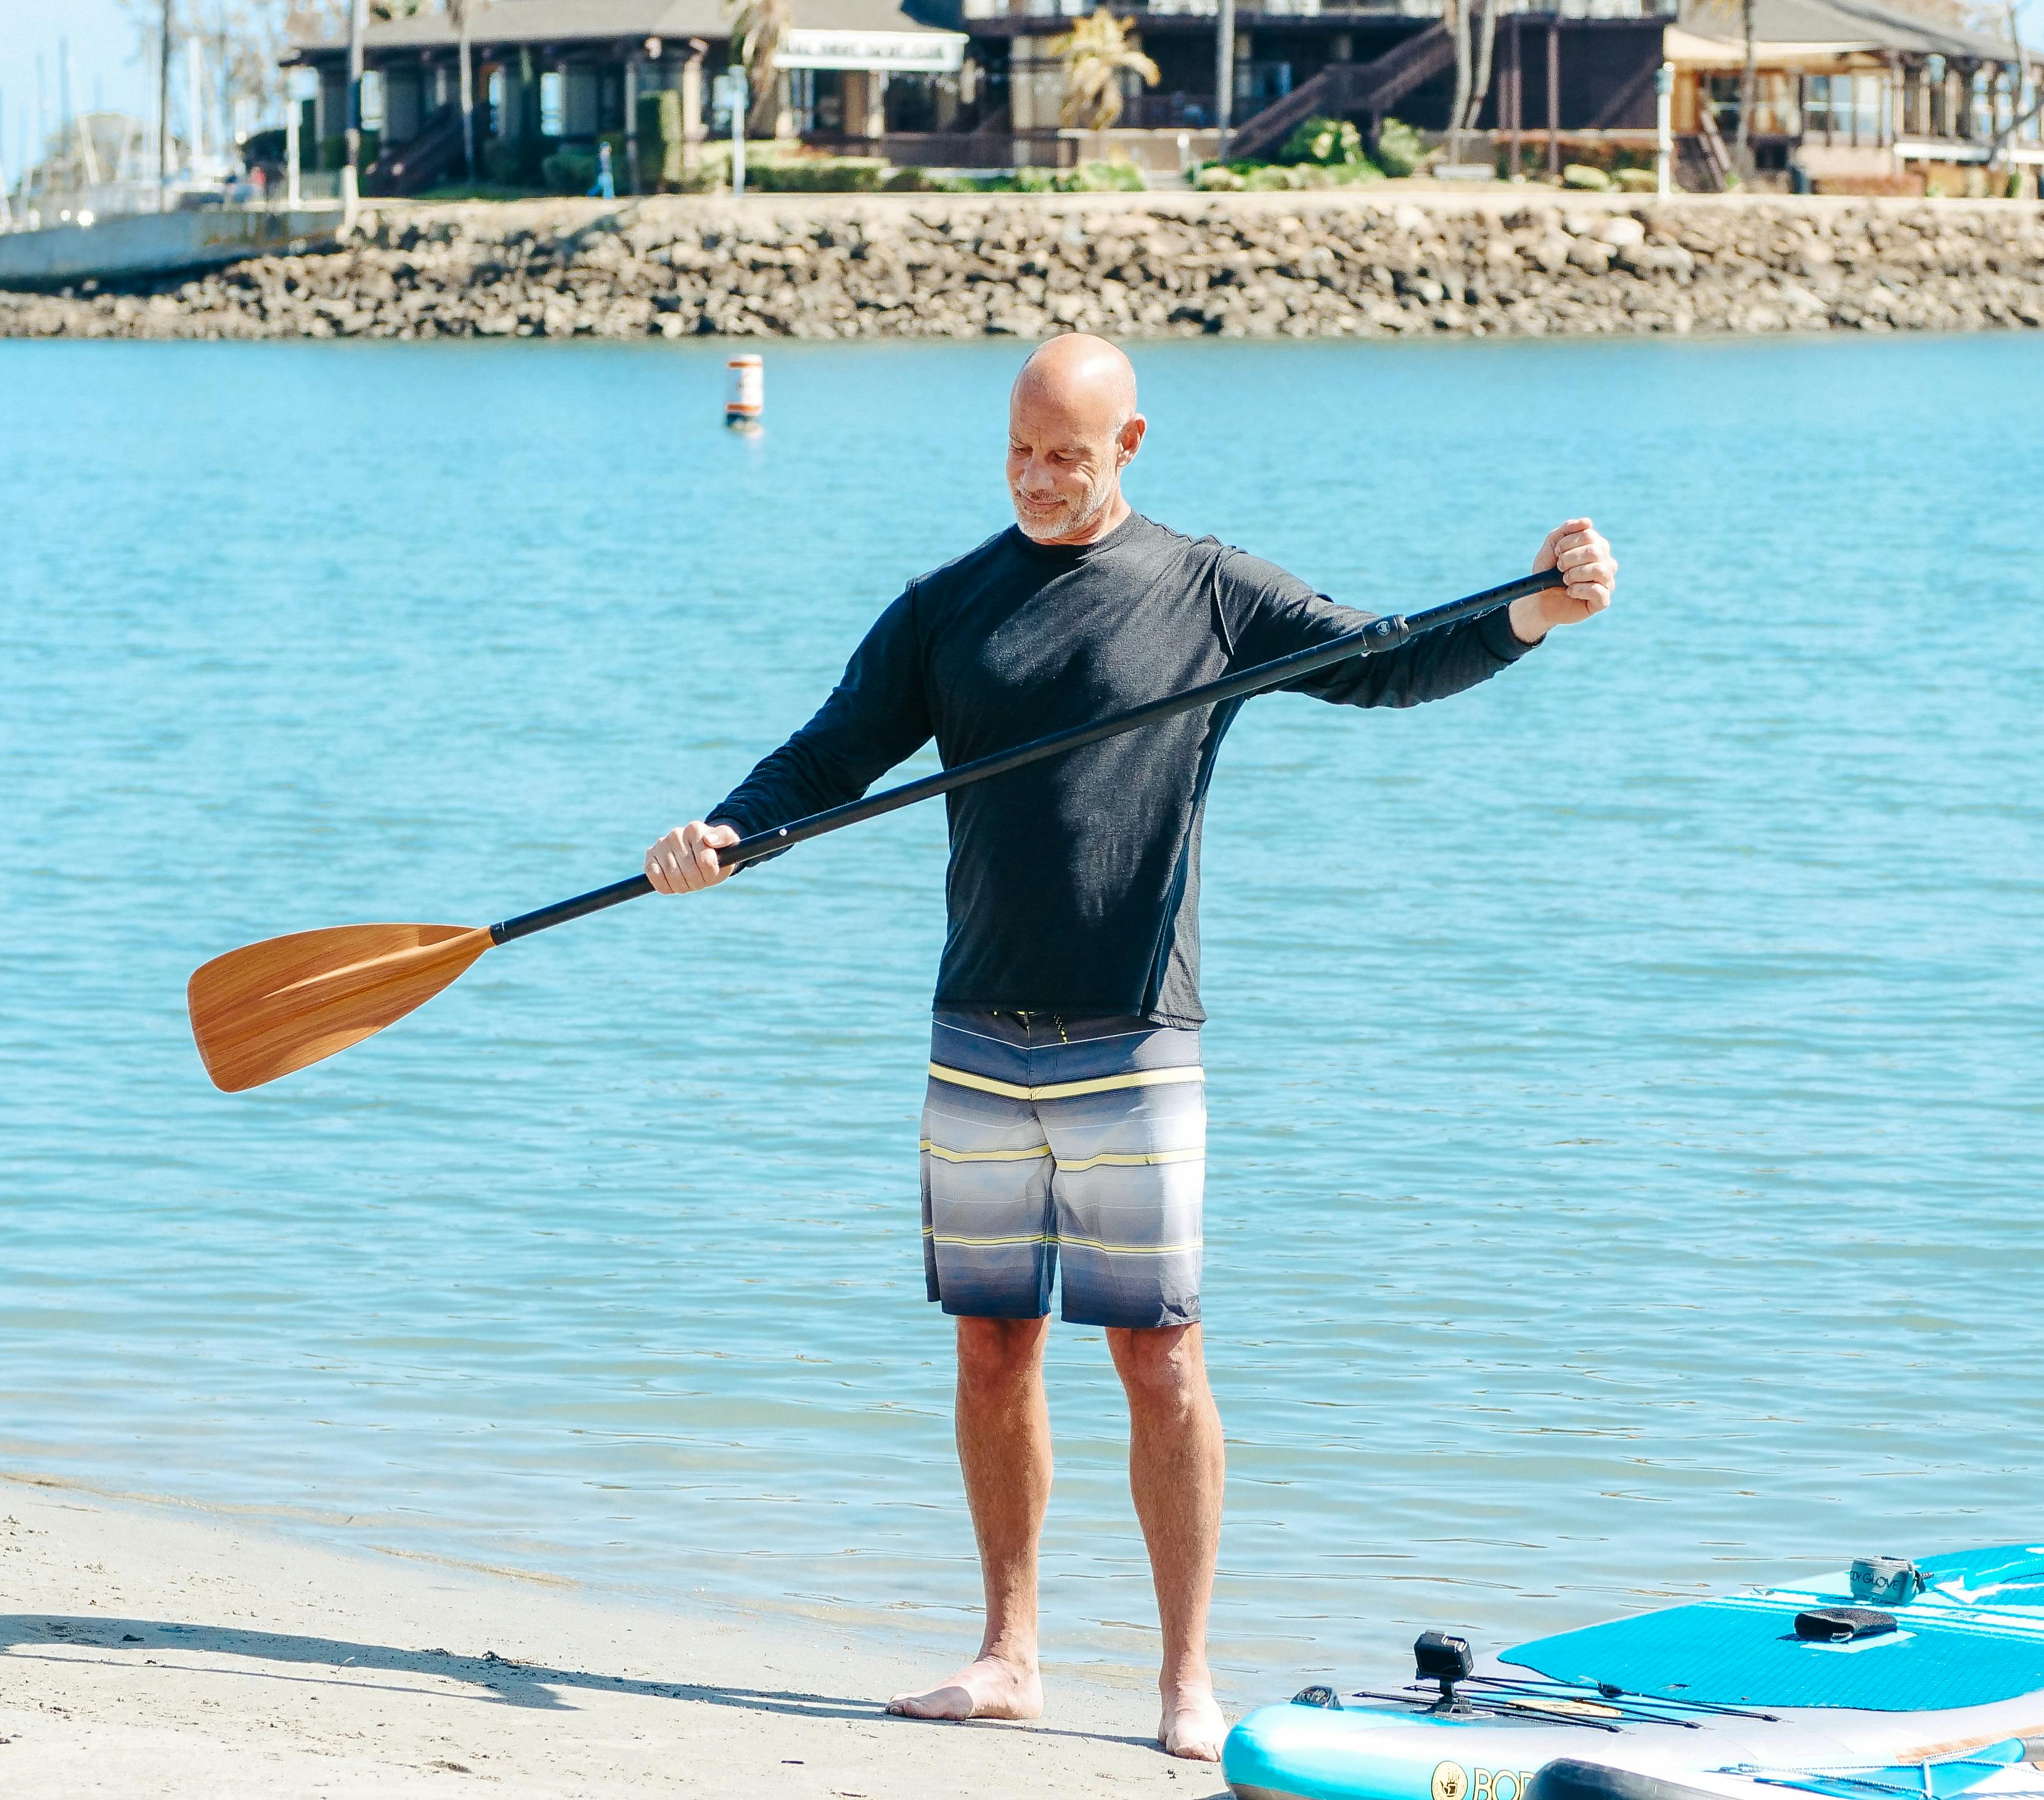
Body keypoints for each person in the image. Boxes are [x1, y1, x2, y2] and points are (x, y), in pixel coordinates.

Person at [644, 333, 1616, 1761]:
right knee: (992, 1349)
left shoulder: (1208, 592)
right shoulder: (947, 608)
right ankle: (1009, 1652)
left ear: (1133, 445)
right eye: (1022, 452)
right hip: (976, 1026)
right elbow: (826, 756)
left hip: (1137, 1034)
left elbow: (1387, 663)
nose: (1041, 479)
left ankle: (1185, 1678)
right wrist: (721, 835)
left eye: (1070, 456)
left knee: (1159, 1355)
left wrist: (1532, 613)